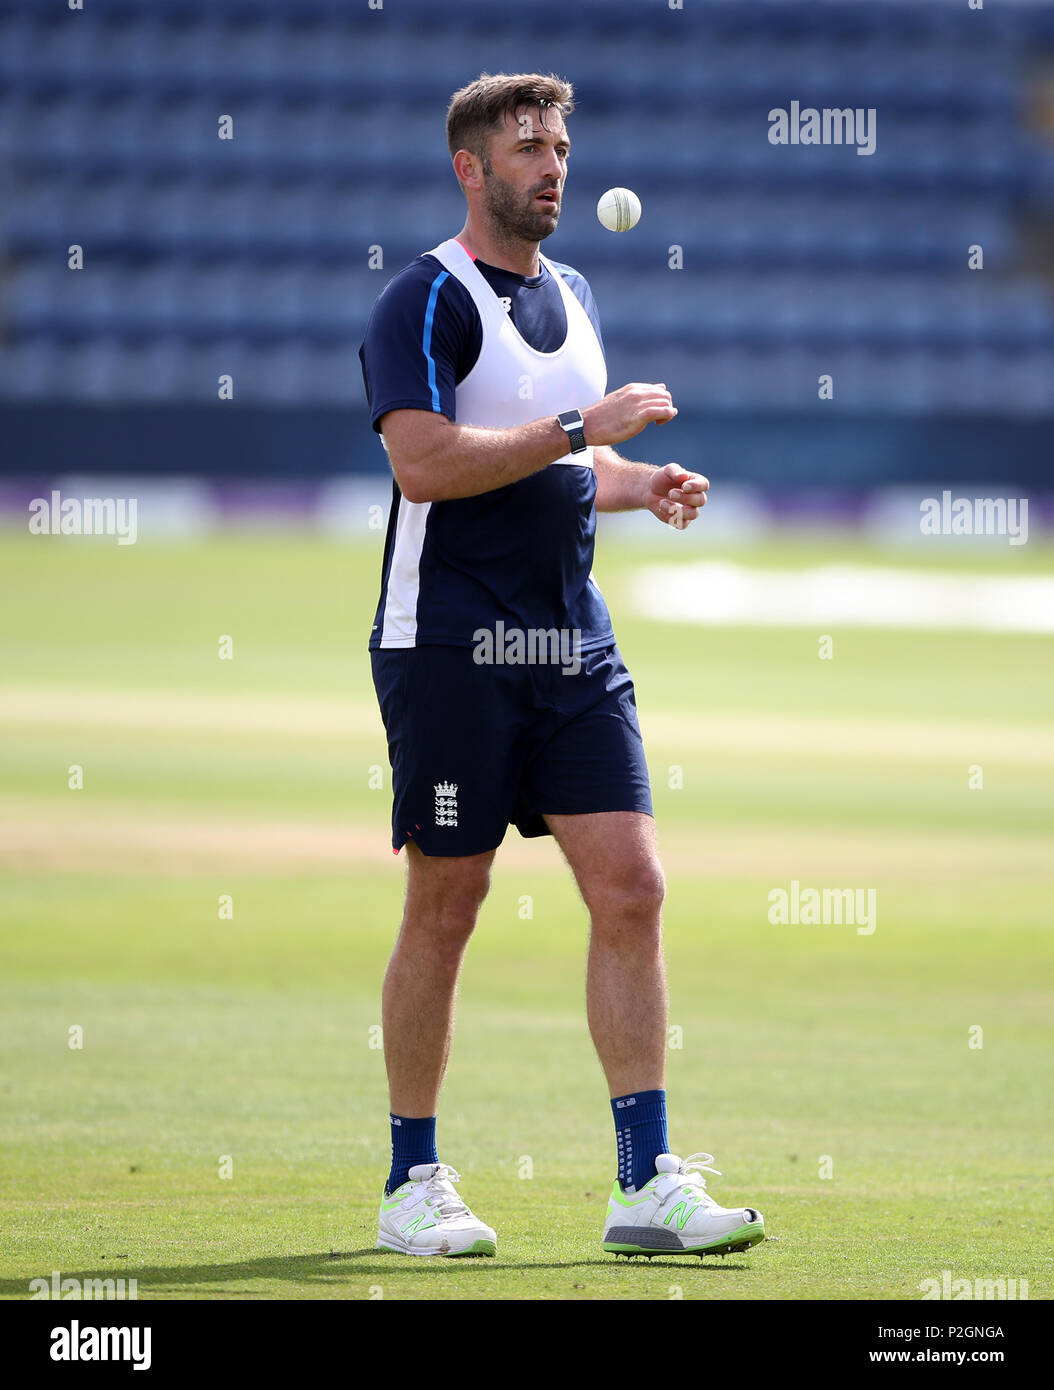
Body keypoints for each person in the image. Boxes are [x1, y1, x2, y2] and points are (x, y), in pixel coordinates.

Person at [358, 71, 765, 1260]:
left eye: (560, 147)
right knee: (448, 900)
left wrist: (641, 484)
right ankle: (409, 1182)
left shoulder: (576, 293)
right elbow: (426, 465)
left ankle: (645, 1183)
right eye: (526, 147)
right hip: (448, 645)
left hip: (569, 640)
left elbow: (554, 468)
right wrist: (590, 430)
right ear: (469, 168)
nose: (552, 166)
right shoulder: (421, 299)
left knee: (632, 889)